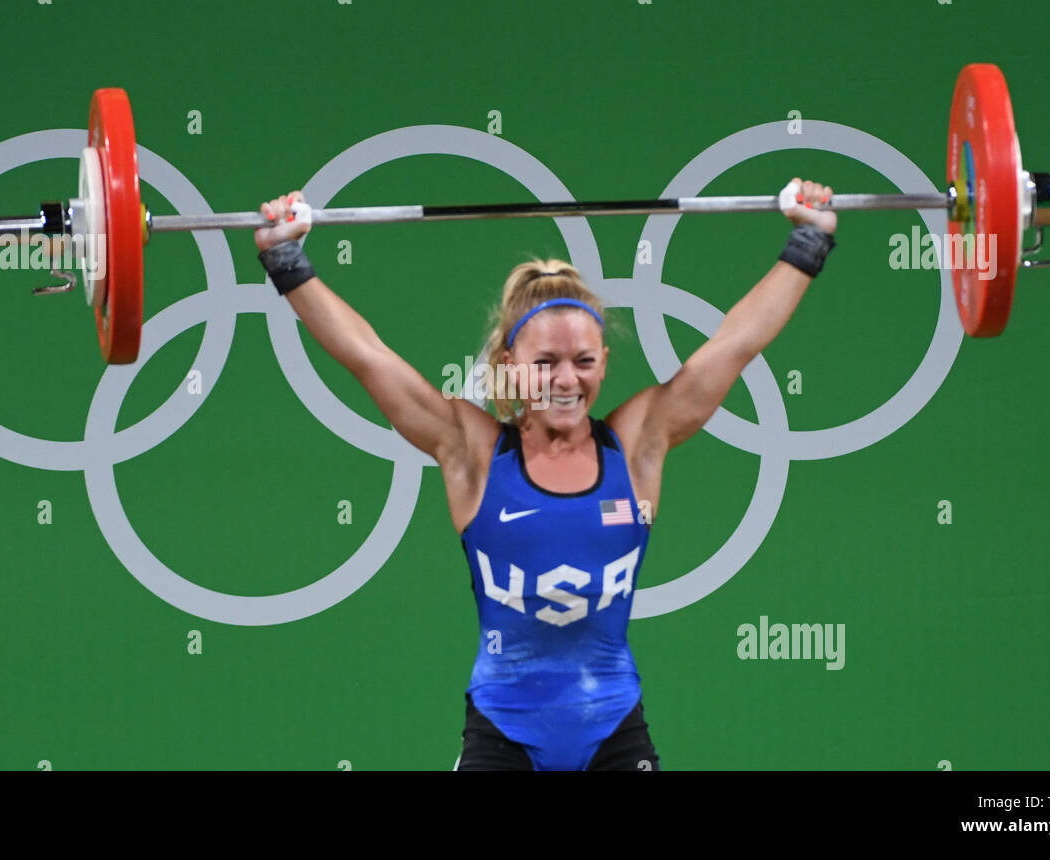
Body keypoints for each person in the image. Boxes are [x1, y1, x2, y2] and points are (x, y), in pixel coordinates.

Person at [254, 179, 837, 770]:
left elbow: (735, 344)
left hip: (614, 730)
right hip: (501, 735)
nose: (566, 380)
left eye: (584, 361)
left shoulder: (637, 445)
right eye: (546, 363)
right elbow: (367, 356)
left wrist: (807, 245)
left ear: (604, 363)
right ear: (510, 365)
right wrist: (287, 260)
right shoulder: (472, 452)